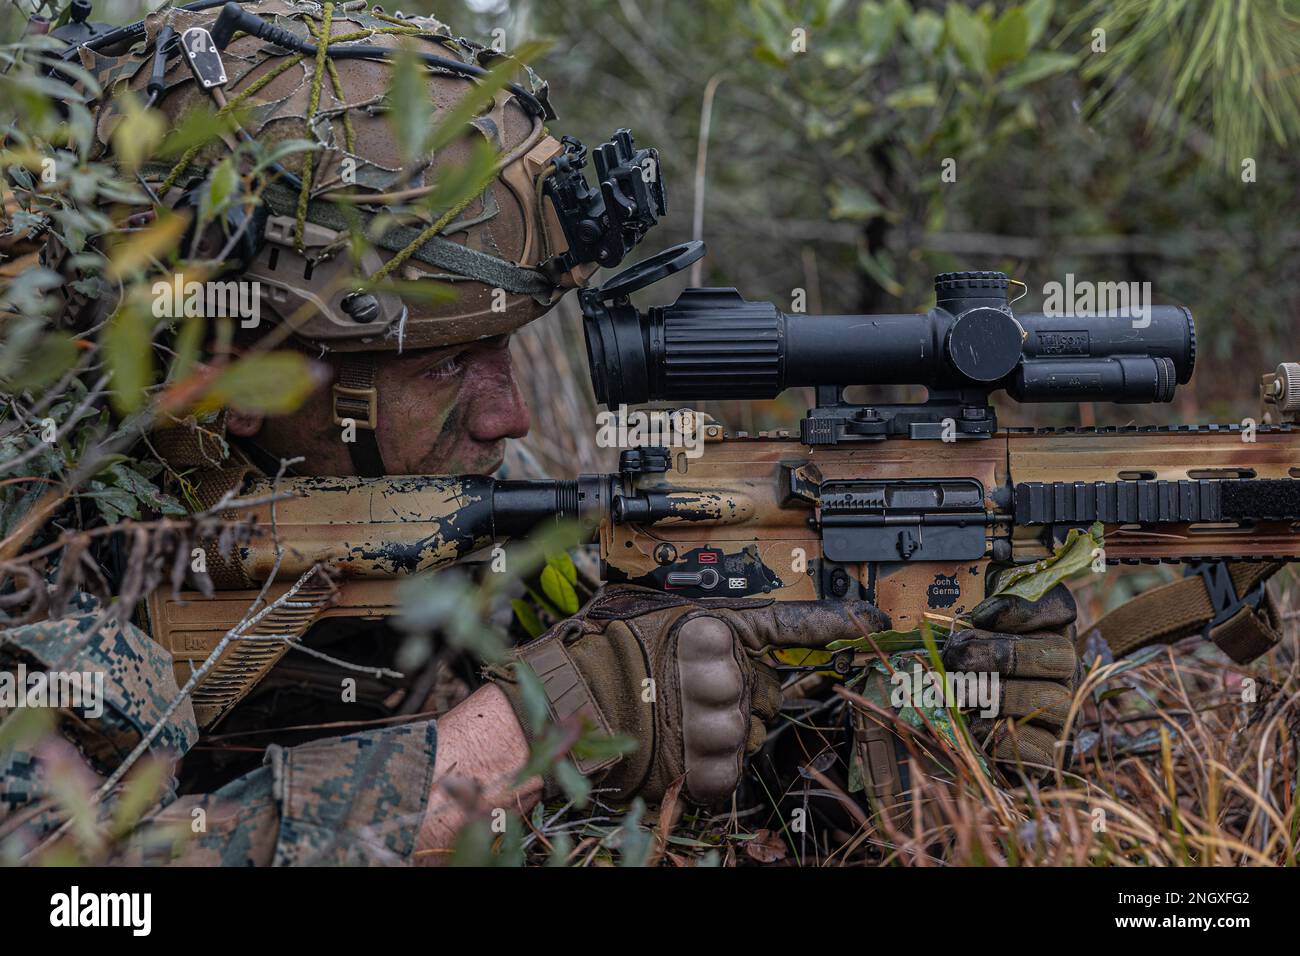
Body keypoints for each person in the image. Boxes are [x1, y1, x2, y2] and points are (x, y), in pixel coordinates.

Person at [0, 0, 1081, 865]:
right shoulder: (33, 539)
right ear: (230, 373)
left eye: (516, 349)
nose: (511, 413)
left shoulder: (406, 530)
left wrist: (834, 732)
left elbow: (612, 718)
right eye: (448, 361)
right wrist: (531, 730)